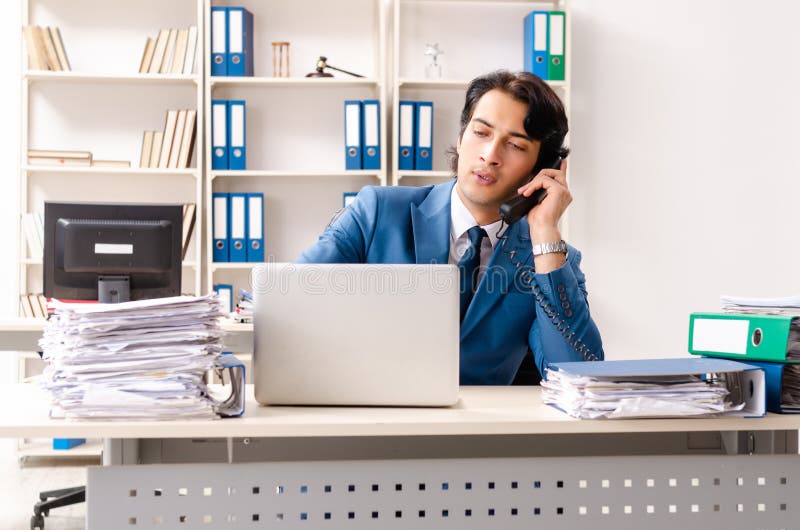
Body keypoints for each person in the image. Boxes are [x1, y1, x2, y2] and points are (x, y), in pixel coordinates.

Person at [297, 70, 603, 384]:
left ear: (541, 170)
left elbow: (579, 377)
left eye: (515, 145)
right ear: (460, 137)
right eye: (481, 133)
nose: (490, 155)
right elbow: (292, 301)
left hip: (476, 429)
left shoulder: (546, 260)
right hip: (374, 418)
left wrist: (545, 233)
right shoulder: (376, 212)